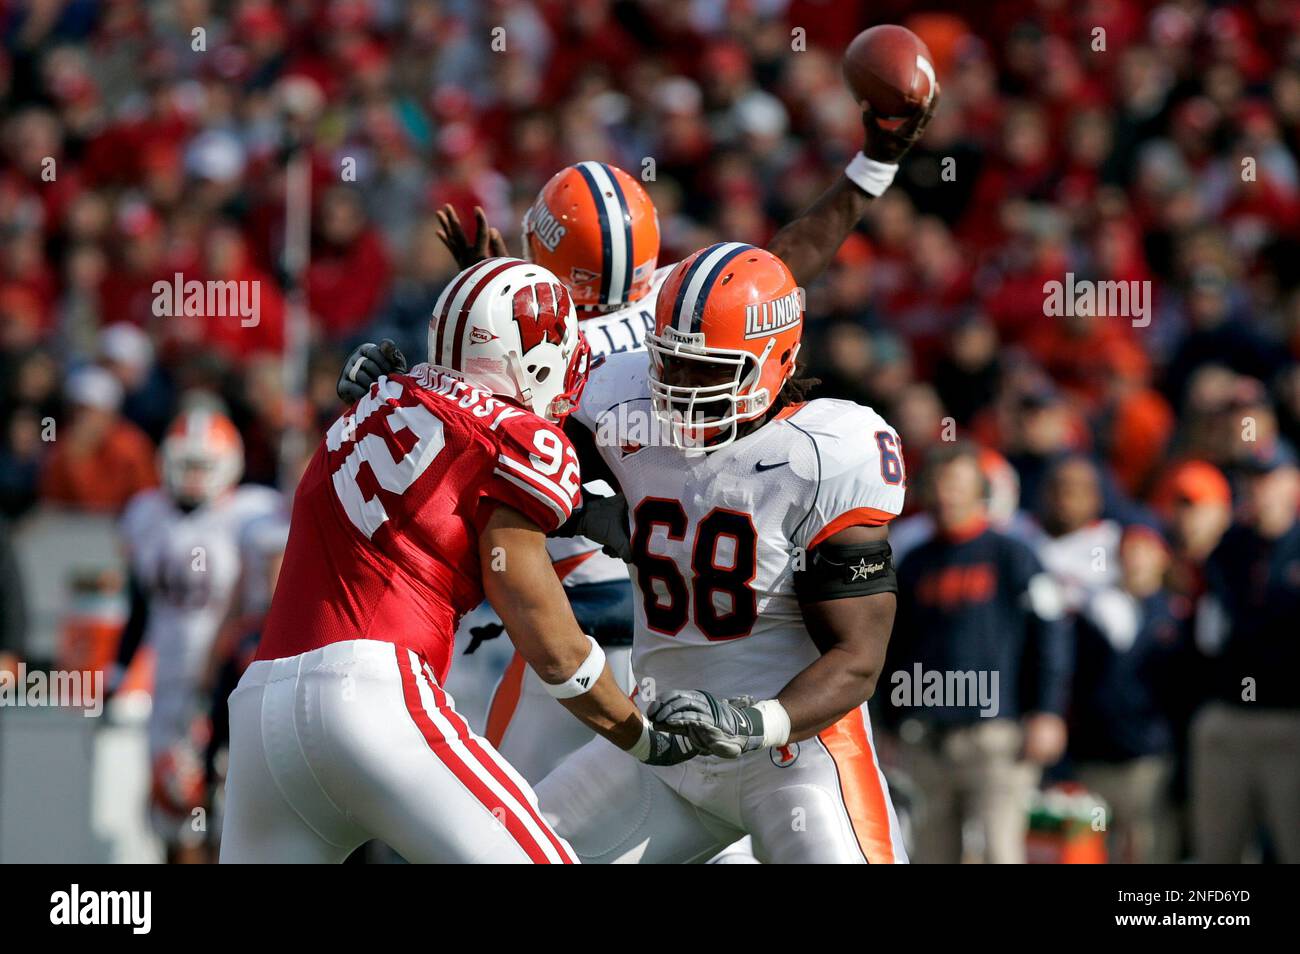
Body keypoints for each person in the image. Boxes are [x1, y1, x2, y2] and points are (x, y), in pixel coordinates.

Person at [336, 90, 938, 789]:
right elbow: (783, 264)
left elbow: (477, 439)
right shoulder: (679, 313)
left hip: (560, 615)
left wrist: (399, 387)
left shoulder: (562, 352)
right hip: (664, 621)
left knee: (503, 815)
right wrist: (872, 166)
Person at [221, 259, 692, 864]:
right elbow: (546, 634)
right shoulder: (523, 438)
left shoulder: (379, 399)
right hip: (372, 694)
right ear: (533, 360)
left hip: (263, 712)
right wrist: (638, 735)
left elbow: (443, 484)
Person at [516, 245, 909, 863]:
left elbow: (859, 659)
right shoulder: (624, 401)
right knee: (501, 853)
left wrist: (752, 722)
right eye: (670, 363)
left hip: (793, 750)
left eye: (707, 371)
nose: (679, 387)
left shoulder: (826, 453)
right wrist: (414, 398)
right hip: (662, 742)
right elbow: (511, 447)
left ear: (776, 360)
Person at [886, 441, 1072, 864]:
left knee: (998, 852)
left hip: (996, 736)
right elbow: (893, 647)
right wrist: (890, 720)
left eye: (957, 484)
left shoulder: (1015, 555)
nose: (946, 494)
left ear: (980, 491)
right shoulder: (913, 563)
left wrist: (1047, 710)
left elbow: (1051, 635)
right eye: (938, 484)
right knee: (930, 853)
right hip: (927, 734)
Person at [118, 405, 282, 863]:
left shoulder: (250, 513)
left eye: (201, 465)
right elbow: (138, 605)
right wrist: (117, 671)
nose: (191, 477)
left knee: (228, 814)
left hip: (229, 684)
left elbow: (268, 589)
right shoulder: (147, 513)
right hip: (168, 688)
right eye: (184, 464)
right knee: (173, 806)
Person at [1191, 452, 1300, 863]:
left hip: (1290, 721)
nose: (1259, 489)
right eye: (1251, 480)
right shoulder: (1228, 548)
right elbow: (1209, 635)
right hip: (1228, 718)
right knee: (1217, 851)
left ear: (1292, 482)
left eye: (1268, 478)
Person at [1069, 525, 1185, 863]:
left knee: (1148, 849)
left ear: (1162, 558)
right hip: (1096, 755)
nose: (1135, 560)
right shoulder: (1094, 611)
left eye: (1144, 551)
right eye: (1128, 551)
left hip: (1149, 759)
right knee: (1092, 850)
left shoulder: (1175, 614)